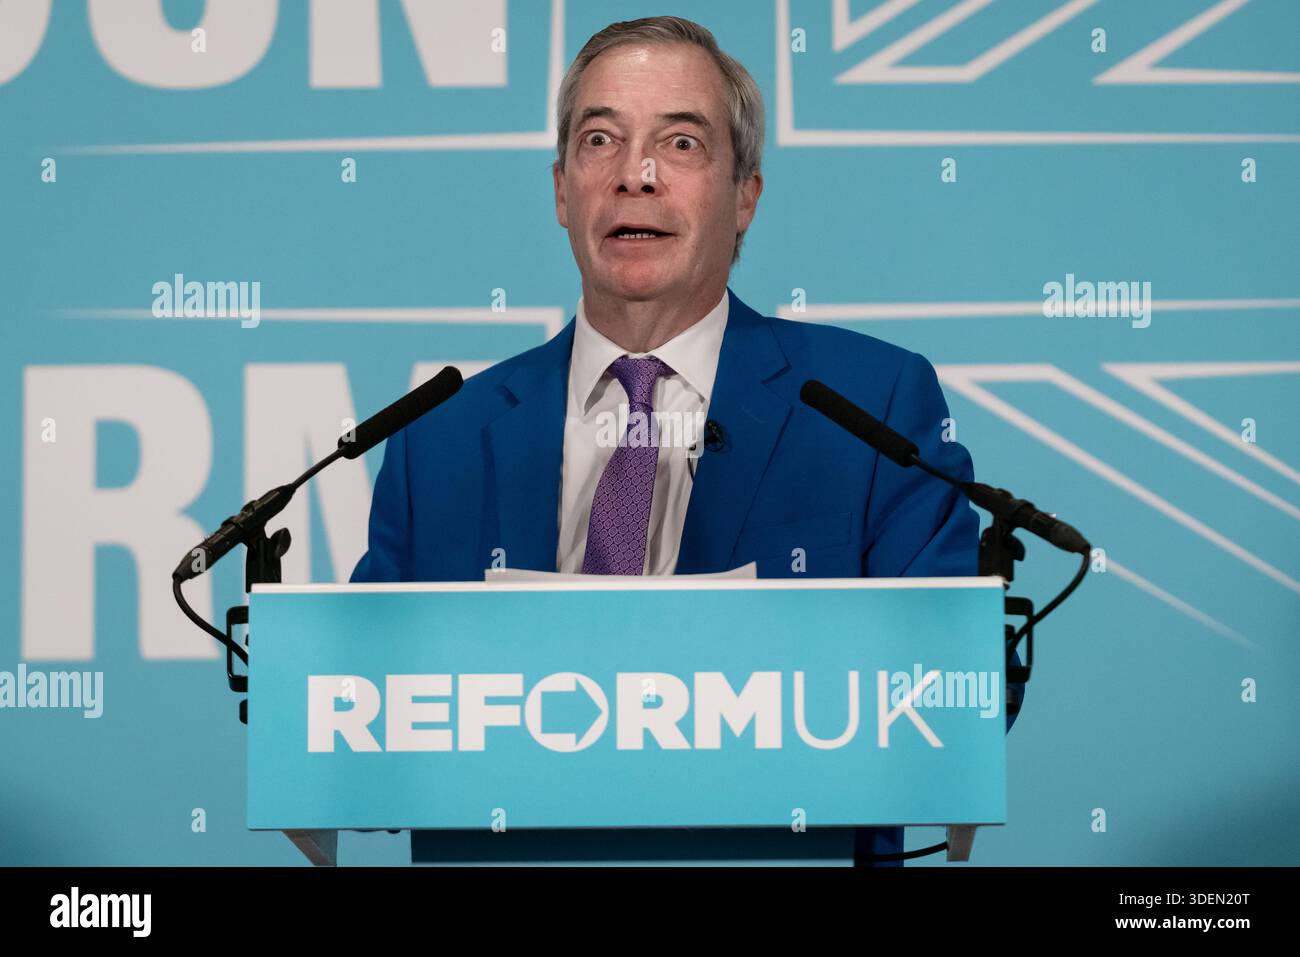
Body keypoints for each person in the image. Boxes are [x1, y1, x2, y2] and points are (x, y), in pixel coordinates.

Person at [352, 15, 1023, 866]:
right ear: (562, 190)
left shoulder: (872, 406)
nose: (636, 175)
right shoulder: (437, 437)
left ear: (746, 195)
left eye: (680, 142)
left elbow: (953, 686)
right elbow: (360, 706)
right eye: (602, 139)